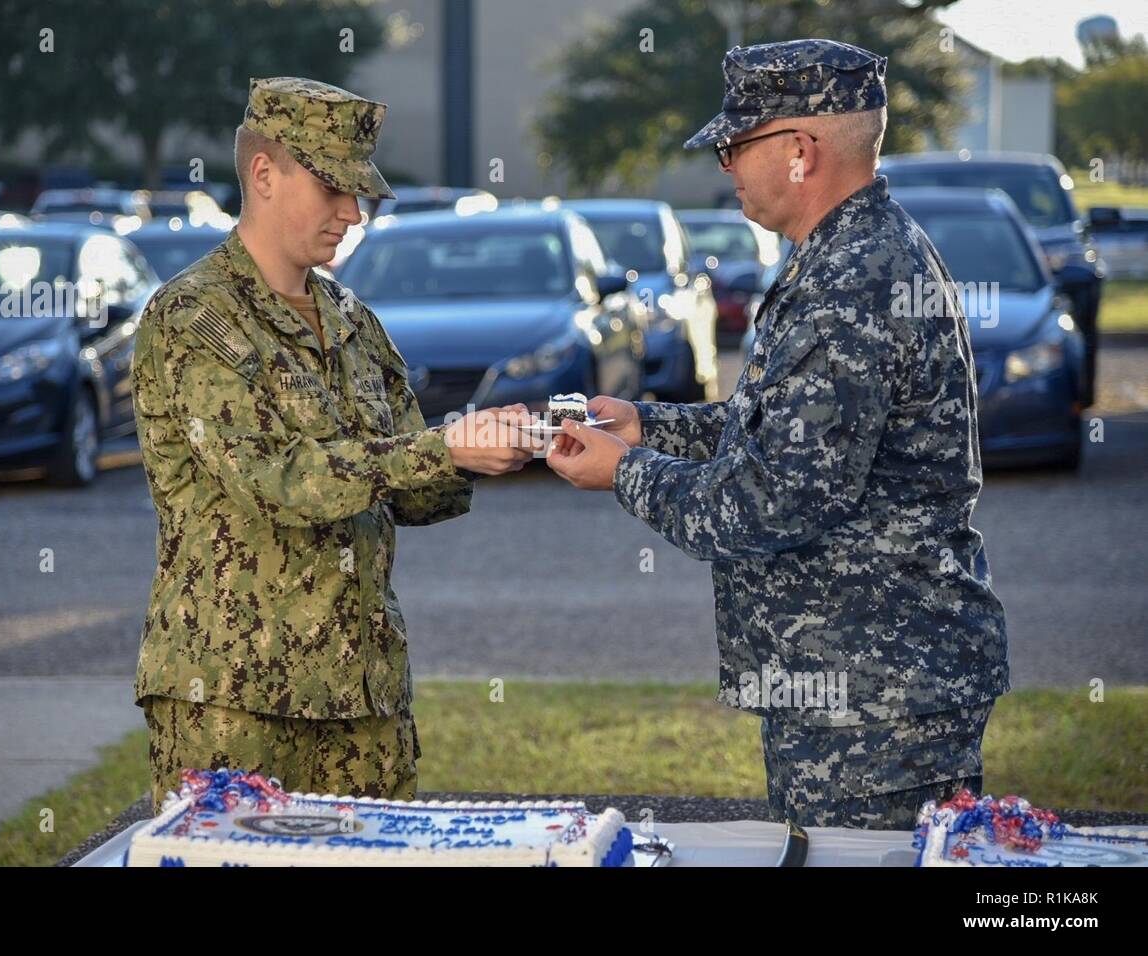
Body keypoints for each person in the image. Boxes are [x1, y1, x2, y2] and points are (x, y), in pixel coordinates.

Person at [547, 40, 1010, 829]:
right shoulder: (849, 256)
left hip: (876, 705)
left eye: (736, 143)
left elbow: (771, 502)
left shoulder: (853, 279)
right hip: (857, 689)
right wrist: (647, 423)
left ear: (800, 152)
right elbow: (785, 432)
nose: (725, 164)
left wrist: (626, 472)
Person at [129, 76, 535, 810]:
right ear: (264, 175)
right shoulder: (192, 317)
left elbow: (415, 490)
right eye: (333, 187)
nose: (352, 212)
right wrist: (442, 448)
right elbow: (278, 479)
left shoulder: (352, 320)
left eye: (359, 193)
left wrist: (507, 445)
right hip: (238, 698)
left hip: (363, 696)